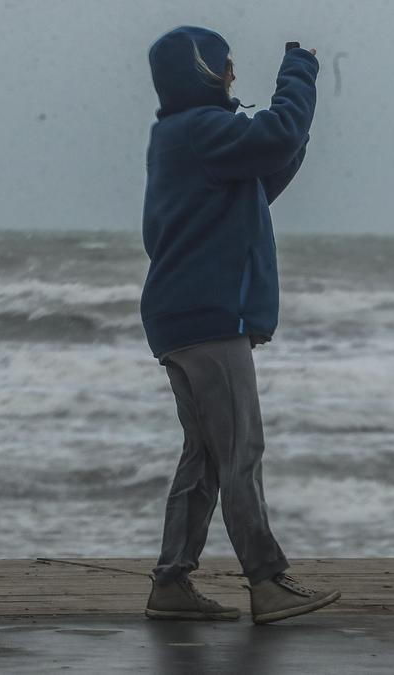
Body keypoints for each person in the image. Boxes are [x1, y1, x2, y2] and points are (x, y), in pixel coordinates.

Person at [139, 25, 338, 624]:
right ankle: (267, 580)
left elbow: (263, 170)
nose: (231, 75)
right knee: (241, 450)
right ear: (201, 70)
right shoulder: (201, 130)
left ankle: (172, 583)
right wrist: (298, 73)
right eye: (224, 65)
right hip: (207, 317)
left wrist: (290, 135)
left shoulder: (182, 137)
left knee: (204, 456)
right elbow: (273, 138)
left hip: (182, 315)